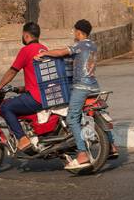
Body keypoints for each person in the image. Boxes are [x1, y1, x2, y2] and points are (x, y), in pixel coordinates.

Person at [38, 19, 118, 171]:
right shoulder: (92, 45)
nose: (74, 34)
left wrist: (45, 53)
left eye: (75, 31)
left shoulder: (79, 45)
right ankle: (112, 145)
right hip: (94, 86)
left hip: (81, 88)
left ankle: (82, 153)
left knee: (72, 118)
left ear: (79, 32)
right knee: (97, 114)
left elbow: (62, 52)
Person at [0, 21, 47, 154]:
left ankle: (22, 139)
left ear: (26, 35)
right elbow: (37, 77)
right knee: (18, 102)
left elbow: (12, 71)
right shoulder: (44, 48)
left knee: (5, 107)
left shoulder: (26, 50)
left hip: (36, 98)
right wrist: (21, 88)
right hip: (45, 95)